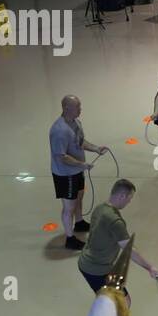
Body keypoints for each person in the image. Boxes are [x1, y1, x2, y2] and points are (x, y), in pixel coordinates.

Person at [78, 179, 158, 316]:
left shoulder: (100, 208)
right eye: (129, 198)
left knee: (120, 300)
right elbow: (129, 249)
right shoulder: (115, 221)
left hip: (91, 264)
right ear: (122, 195)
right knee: (121, 303)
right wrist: (149, 267)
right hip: (97, 269)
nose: (129, 202)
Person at [49, 95, 111, 251]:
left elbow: (80, 141)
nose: (80, 109)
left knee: (79, 197)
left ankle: (79, 222)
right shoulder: (59, 131)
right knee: (68, 206)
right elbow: (61, 157)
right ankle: (70, 239)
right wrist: (82, 165)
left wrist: (96, 148)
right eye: (77, 107)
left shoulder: (76, 123)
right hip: (65, 174)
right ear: (66, 108)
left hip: (77, 170)